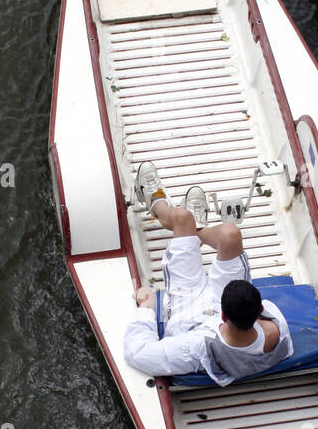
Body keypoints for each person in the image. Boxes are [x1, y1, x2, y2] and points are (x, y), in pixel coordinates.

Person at [122, 162, 292, 385]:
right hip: (229, 311)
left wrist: (146, 306)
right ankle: (195, 229)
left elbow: (138, 353)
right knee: (230, 234)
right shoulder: (275, 329)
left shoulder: (195, 347)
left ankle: (157, 203)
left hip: (188, 311)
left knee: (182, 217)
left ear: (223, 315)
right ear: (260, 310)